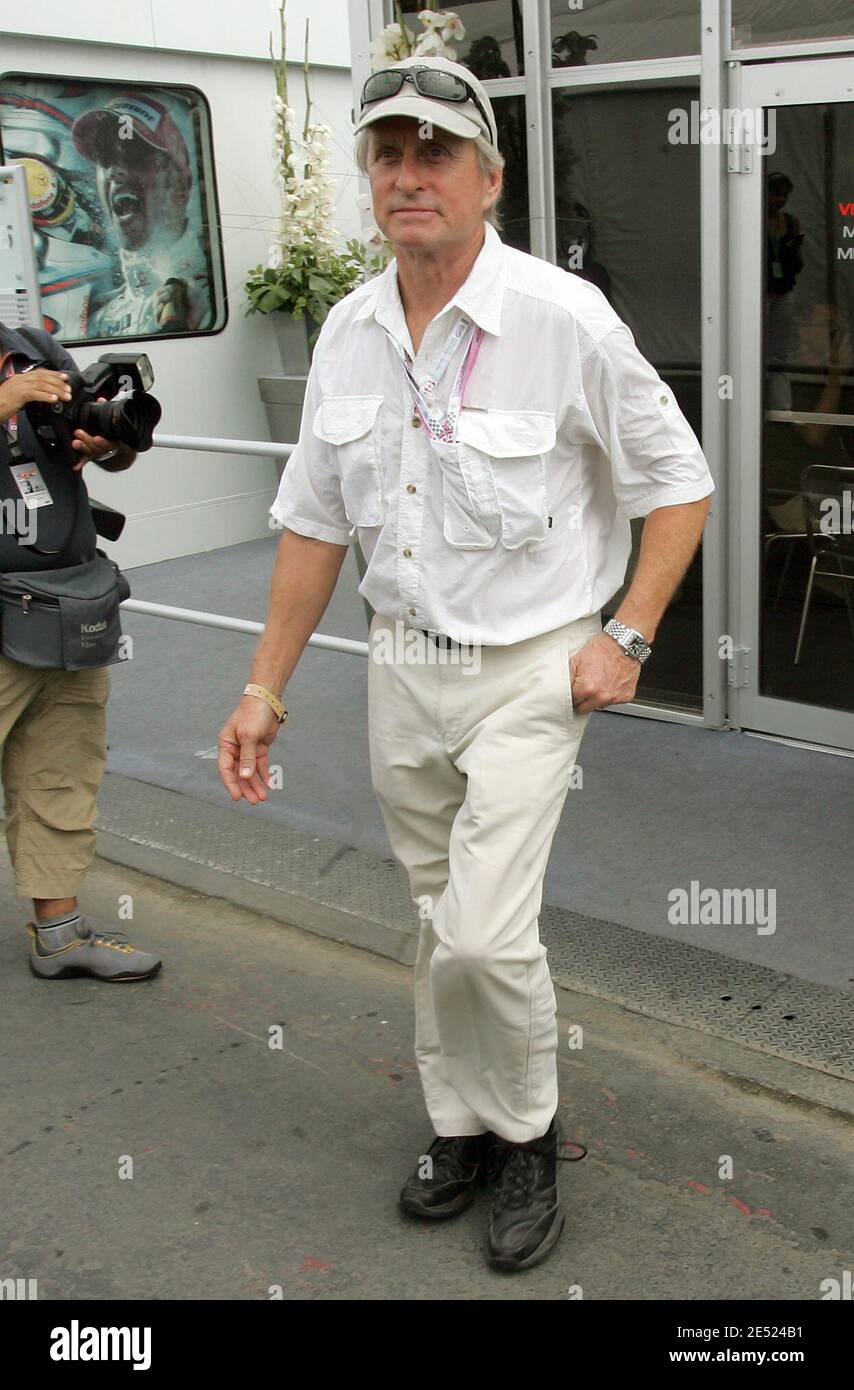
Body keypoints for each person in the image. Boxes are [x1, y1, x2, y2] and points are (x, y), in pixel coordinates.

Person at [217, 56, 714, 1271]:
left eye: (434, 151)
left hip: (529, 670)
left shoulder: (562, 319)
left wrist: (629, 632)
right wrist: (261, 687)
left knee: (489, 933)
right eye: (386, 153)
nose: (407, 174)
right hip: (402, 666)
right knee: (439, 917)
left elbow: (678, 483)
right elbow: (311, 526)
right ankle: (457, 1125)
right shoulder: (348, 329)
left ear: (489, 177)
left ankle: (529, 1130)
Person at [0, 321, 162, 981]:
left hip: (63, 602)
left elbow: (105, 453)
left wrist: (105, 444)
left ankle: (60, 933)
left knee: (60, 769)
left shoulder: (35, 351)